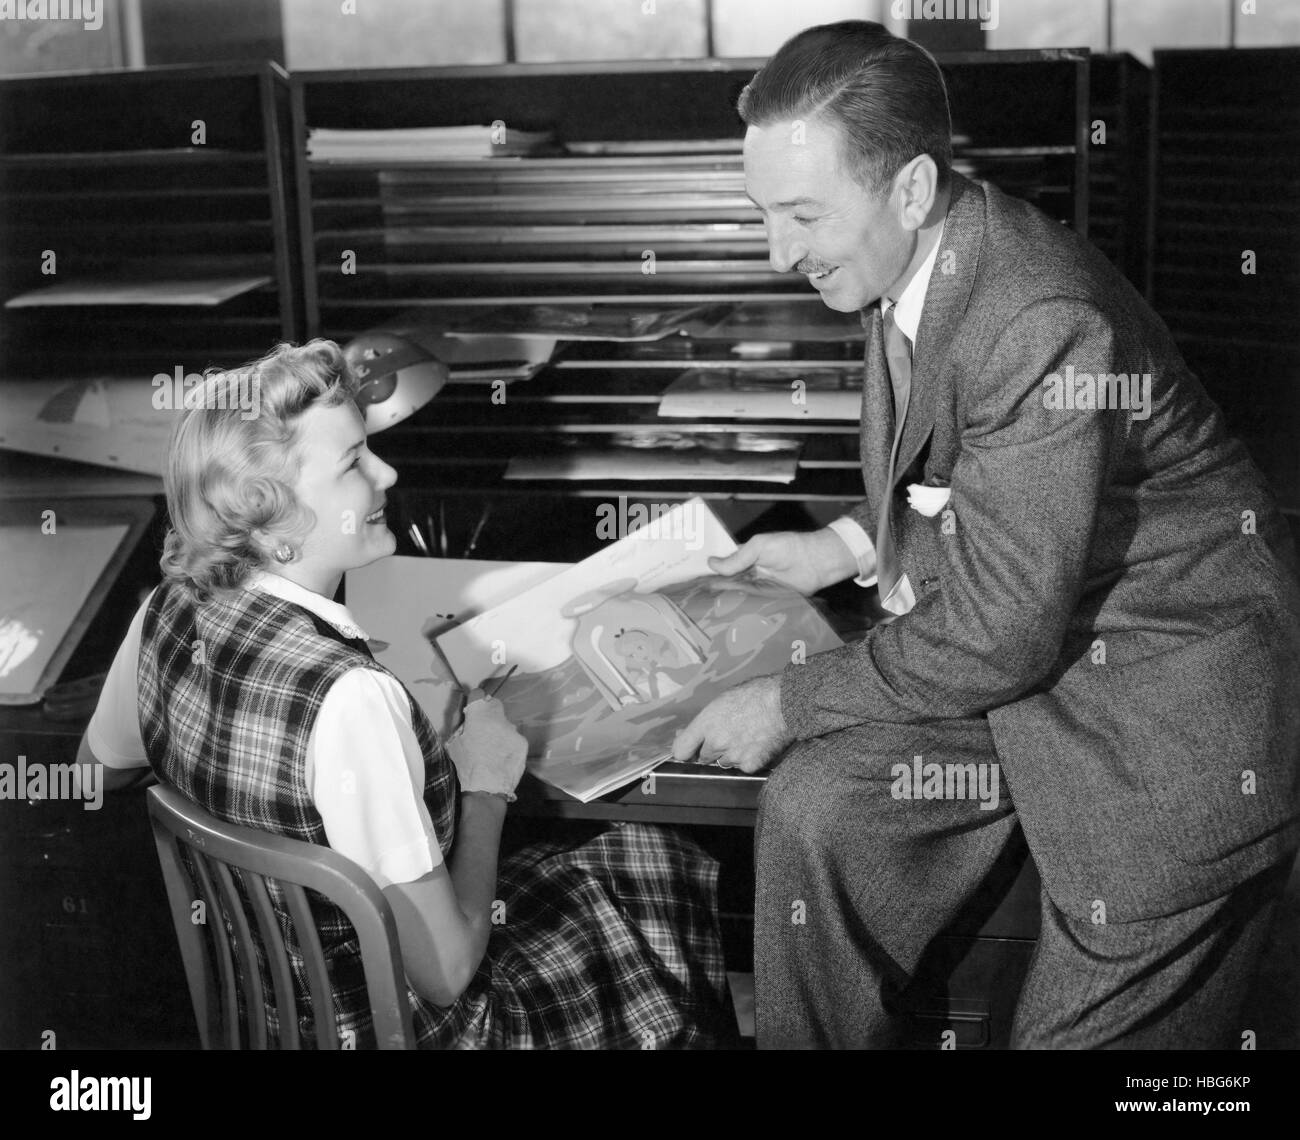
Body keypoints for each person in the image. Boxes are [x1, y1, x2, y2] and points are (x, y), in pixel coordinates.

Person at [672, 20, 1300, 1048]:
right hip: (1036, 659)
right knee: (814, 812)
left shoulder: (1040, 316)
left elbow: (1002, 632)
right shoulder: (910, 257)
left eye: (803, 216)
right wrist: (843, 547)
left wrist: (786, 699)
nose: (779, 252)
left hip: (1164, 703)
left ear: (910, 188)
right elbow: (980, 471)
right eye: (764, 215)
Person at [82, 340, 734, 1049]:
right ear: (272, 516)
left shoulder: (165, 611)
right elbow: (445, 973)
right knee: (650, 859)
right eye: (353, 463)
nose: (387, 472)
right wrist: (485, 786)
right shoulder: (350, 699)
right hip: (414, 1031)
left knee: (581, 866)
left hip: (267, 1024)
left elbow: (98, 771)